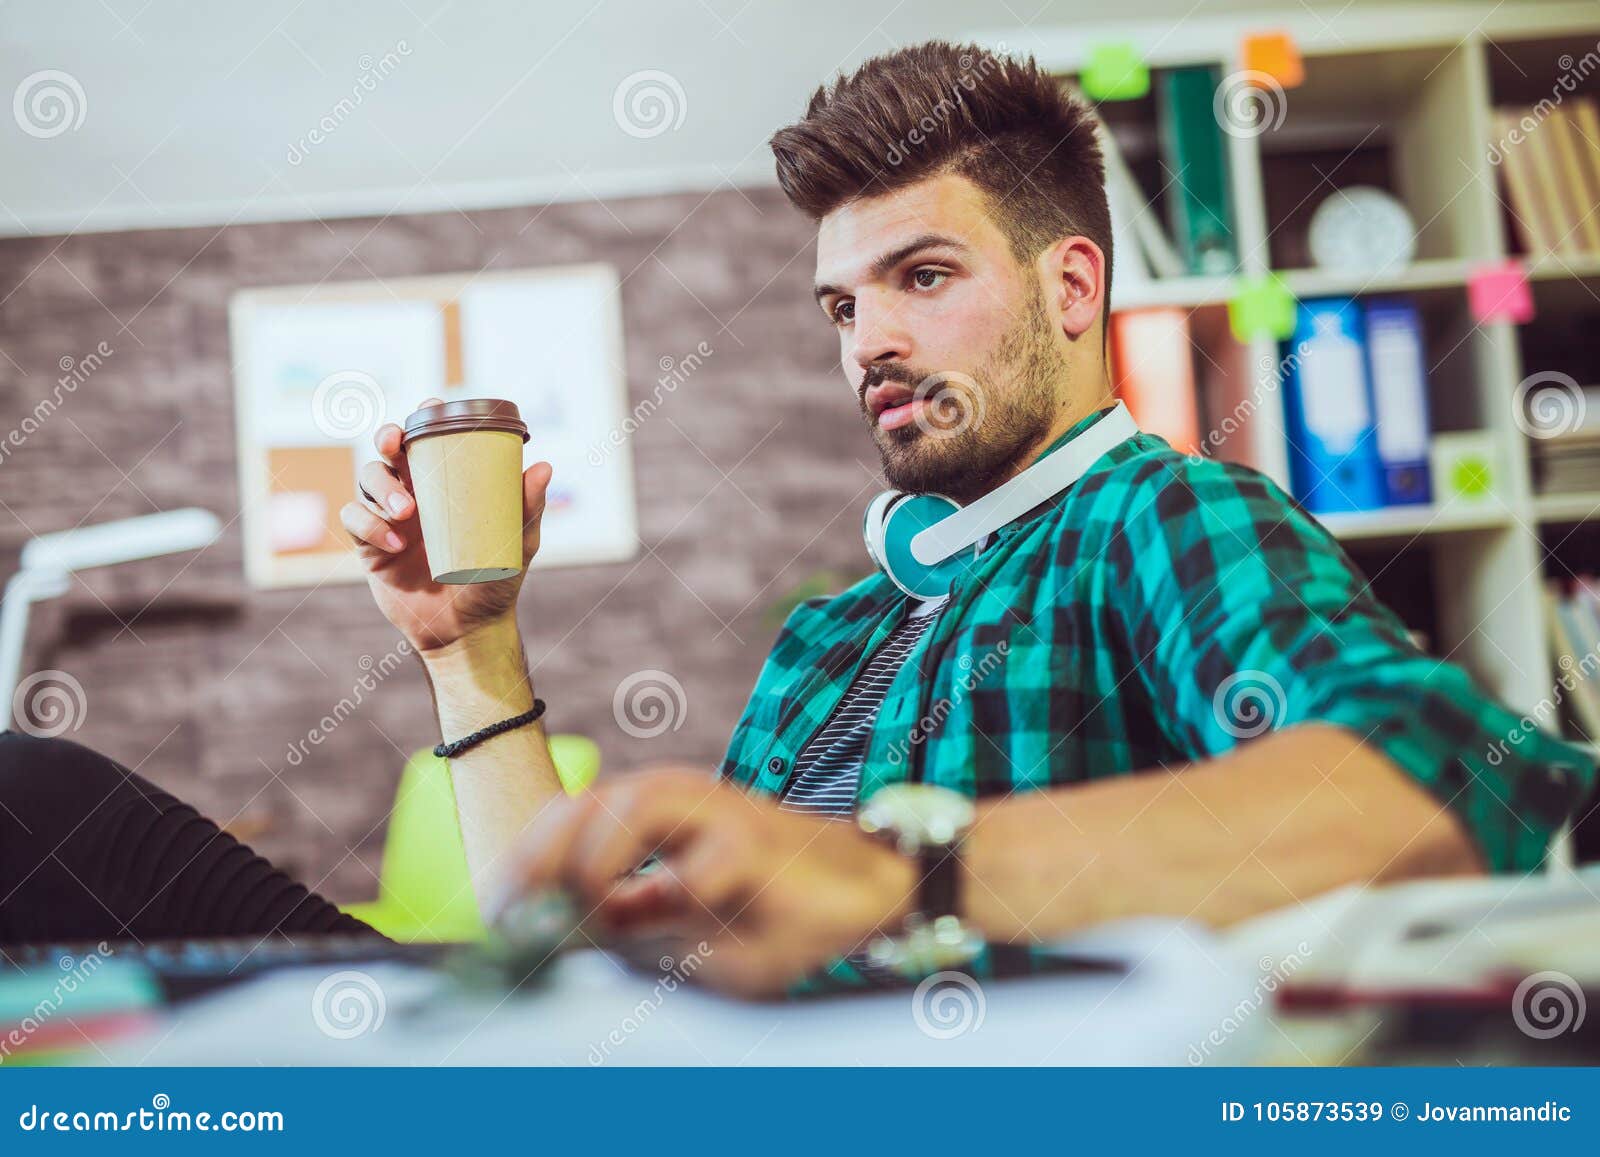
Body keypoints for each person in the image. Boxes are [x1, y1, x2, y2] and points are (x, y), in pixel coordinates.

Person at [1, 43, 1592, 998]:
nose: (866, 343)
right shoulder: (836, 635)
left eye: (920, 277)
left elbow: (1442, 778)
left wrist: (909, 873)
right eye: (840, 303)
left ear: (1073, 284)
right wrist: (472, 648)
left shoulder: (1152, 519)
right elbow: (555, 949)